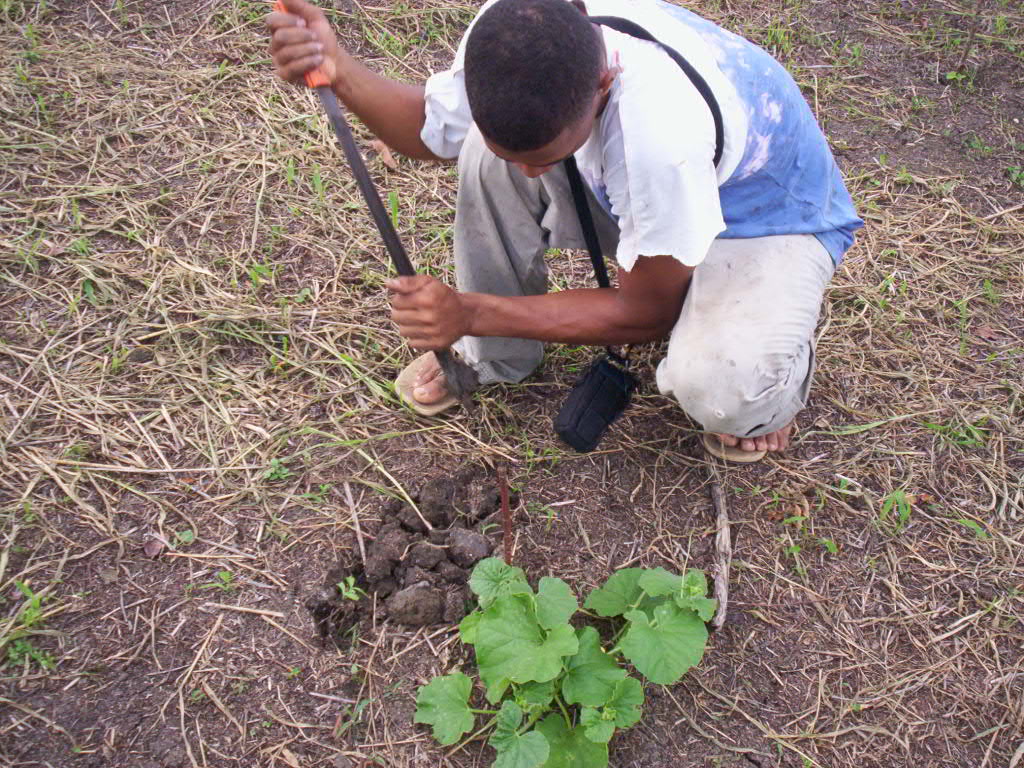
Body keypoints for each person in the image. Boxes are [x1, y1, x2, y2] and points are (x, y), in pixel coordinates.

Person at [267, 0, 863, 462]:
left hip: (762, 220)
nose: (530, 173)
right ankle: (497, 358)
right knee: (484, 156)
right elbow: (430, 127)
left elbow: (645, 314)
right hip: (649, 188)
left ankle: (770, 382)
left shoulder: (658, 136)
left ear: (602, 85)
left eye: (545, 154)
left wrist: (469, 311)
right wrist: (338, 69)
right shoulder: (513, 34)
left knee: (720, 388)